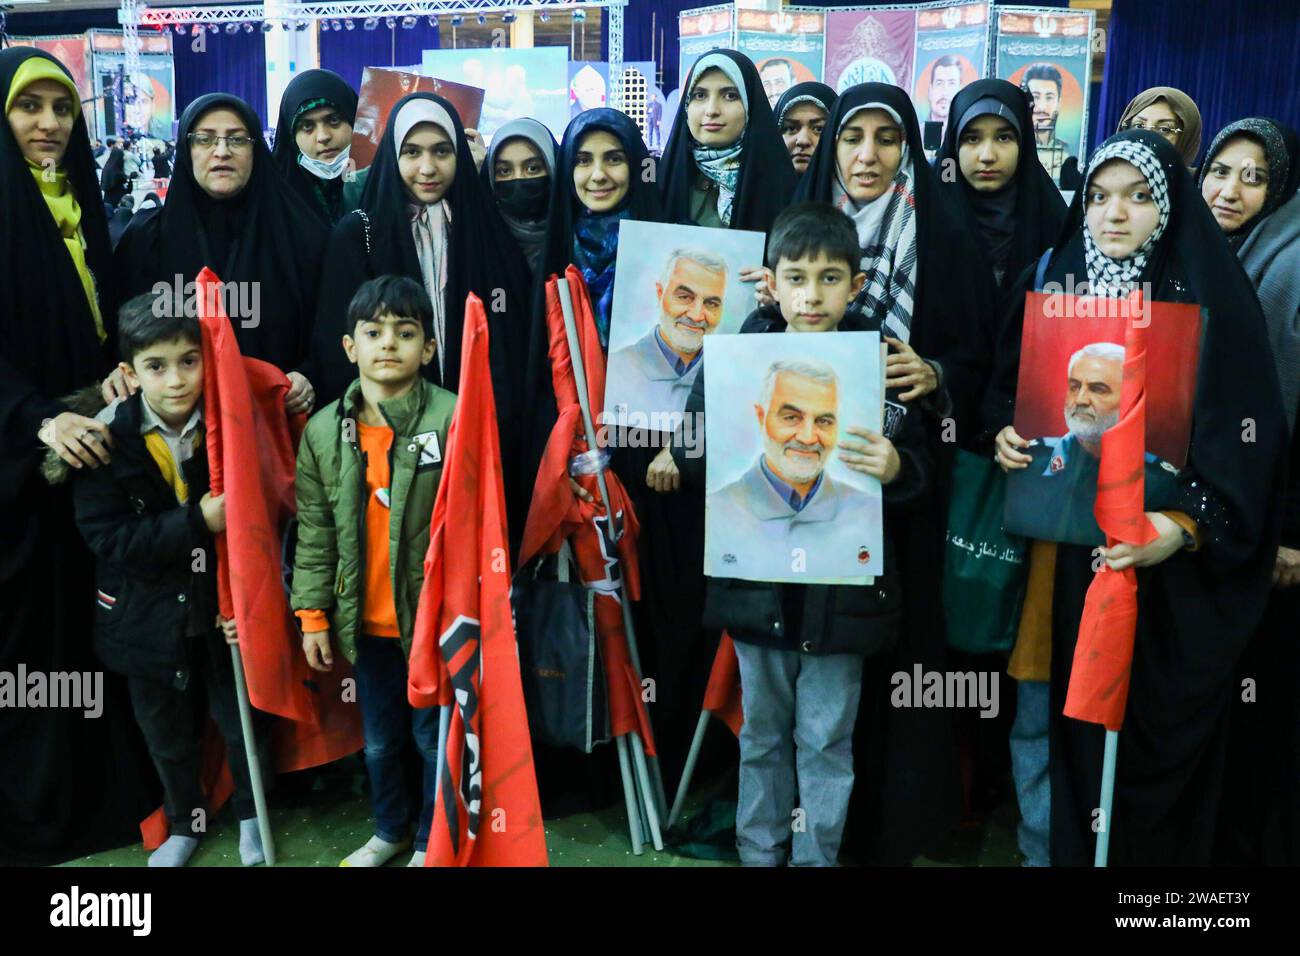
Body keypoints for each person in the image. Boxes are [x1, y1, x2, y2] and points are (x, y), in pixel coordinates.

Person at [990, 129, 1287, 866]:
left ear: (1170, 205)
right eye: (1097, 195)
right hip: (1062, 577)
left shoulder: (1209, 294)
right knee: (1061, 743)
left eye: (1138, 195)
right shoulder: (1053, 277)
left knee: (1147, 775)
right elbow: (1003, 391)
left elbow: (1248, 455)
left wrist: (1184, 527)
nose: (1113, 214)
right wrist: (1003, 435)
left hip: (1168, 594)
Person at [669, 201, 934, 865]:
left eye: (829, 279)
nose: (811, 295)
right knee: (760, 733)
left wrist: (898, 465)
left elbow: (923, 471)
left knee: (825, 739)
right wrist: (698, 446)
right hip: (757, 593)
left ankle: (817, 857)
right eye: (796, 277)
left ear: (857, 285)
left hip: (843, 600)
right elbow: (698, 443)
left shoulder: (881, 363)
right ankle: (760, 852)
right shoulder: (735, 356)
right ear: (772, 281)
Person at [0, 46, 161, 866]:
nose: (49, 125)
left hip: (84, 444)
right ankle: (32, 809)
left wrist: (111, 371)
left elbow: (89, 321)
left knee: (85, 624)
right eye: (30, 109)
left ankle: (92, 793)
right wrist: (37, 422)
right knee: (25, 641)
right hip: (20, 462)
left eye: (62, 110)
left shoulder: (78, 203)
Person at [70, 294, 264, 868]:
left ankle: (254, 813)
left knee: (238, 718)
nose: (176, 380)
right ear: (130, 373)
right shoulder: (104, 439)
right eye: (157, 366)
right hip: (141, 617)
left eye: (189, 361)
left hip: (219, 608)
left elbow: (267, 511)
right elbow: (110, 540)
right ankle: (184, 821)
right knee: (166, 731)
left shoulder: (229, 420)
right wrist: (195, 520)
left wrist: (249, 599)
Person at [291, 275, 456, 868]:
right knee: (382, 740)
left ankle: (429, 842)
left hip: (434, 620)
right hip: (366, 625)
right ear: (348, 346)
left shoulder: (453, 417)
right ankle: (390, 829)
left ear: (428, 349)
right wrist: (312, 615)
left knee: (433, 738)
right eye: (374, 332)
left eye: (405, 332)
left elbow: (477, 521)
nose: (389, 343)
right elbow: (314, 533)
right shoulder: (321, 432)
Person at [312, 93, 532, 535]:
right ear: (393, 156)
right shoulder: (358, 235)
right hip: (390, 442)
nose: (427, 169)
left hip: (478, 437)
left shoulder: (485, 230)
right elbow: (337, 350)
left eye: (441, 152)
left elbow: (512, 341)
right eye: (412, 152)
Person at [1199, 118, 1300, 866]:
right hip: (1219, 518)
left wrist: (1294, 529)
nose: (1230, 190)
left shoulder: (1289, 264)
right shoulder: (1210, 259)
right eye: (1221, 172)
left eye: (1253, 177)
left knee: (1261, 703)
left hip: (1276, 530)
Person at [114, 92, 327, 415]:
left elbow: (329, 330)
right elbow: (123, 333)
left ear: (256, 150)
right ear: (187, 150)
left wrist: (309, 376)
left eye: (238, 140)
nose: (222, 151)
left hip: (278, 425)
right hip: (174, 434)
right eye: (205, 139)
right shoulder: (147, 239)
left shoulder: (303, 236)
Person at [706, 358, 883, 581]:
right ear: (761, 418)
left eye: (824, 421)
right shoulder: (716, 511)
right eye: (791, 418)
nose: (808, 438)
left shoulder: (868, 512)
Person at [1009, 342, 1181, 546]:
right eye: (1074, 387)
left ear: (1131, 400)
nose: (1080, 399)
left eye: (1098, 389)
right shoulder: (1029, 459)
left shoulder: (1159, 480)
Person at [936, 78, 1069, 290]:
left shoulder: (1054, 223)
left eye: (1004, 138)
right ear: (954, 147)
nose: (987, 156)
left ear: (1023, 145)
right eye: (972, 139)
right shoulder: (926, 221)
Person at [659, 49, 796, 233]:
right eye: (700, 95)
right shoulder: (662, 178)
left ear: (750, 105)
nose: (711, 110)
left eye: (730, 95)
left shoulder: (780, 183)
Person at [606, 247, 727, 421]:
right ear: (660, 294)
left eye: (711, 303)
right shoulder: (615, 369)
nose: (696, 315)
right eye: (684, 297)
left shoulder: (727, 379)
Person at [272, 69, 359, 225]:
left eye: (333, 120)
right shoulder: (275, 198)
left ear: (353, 120)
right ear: (292, 138)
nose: (323, 137)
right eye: (307, 126)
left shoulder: (383, 184)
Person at [481, 116, 557, 278]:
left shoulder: (577, 238)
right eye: (505, 171)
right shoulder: (481, 241)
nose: (519, 179)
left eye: (532, 168)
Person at [1116, 86, 1202, 169]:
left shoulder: (1200, 183)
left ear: (1186, 139)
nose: (1146, 138)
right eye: (1139, 126)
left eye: (1164, 129)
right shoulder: (1105, 178)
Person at [1021, 63, 1072, 182]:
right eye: (1035, 97)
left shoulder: (1067, 151)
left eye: (1049, 97)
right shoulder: (1016, 148)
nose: (1042, 107)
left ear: (1059, 103)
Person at [774, 81, 836, 176]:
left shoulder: (856, 190)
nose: (803, 141)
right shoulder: (752, 190)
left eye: (819, 129)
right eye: (791, 128)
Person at [925, 55, 963, 139]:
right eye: (939, 83)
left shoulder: (966, 135)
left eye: (951, 83)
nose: (944, 92)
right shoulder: (915, 134)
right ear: (930, 91)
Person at [100, 134, 129, 210]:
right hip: (118, 204)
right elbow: (127, 189)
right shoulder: (118, 172)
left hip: (107, 203)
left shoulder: (107, 168)